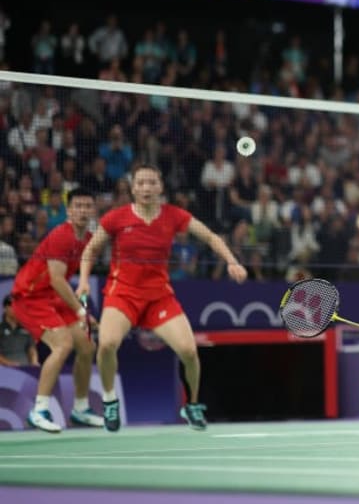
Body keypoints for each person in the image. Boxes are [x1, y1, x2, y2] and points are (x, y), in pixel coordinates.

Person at [77, 163, 247, 432]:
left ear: (160, 187)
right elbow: (90, 250)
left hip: (159, 297)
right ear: (133, 188)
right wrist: (84, 281)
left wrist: (231, 261)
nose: (146, 188)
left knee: (189, 351)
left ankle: (191, 405)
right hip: (122, 293)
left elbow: (210, 236)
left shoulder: (173, 215)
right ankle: (110, 400)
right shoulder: (116, 218)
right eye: (141, 183)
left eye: (151, 183)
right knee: (107, 343)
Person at [8, 189, 105, 432]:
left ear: (93, 211)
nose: (83, 210)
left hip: (52, 297)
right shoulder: (62, 235)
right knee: (63, 345)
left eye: (87, 206)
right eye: (78, 206)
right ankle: (39, 410)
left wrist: (82, 309)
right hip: (30, 297)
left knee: (86, 347)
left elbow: (78, 278)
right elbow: (57, 279)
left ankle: (81, 408)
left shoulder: (88, 240)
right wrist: (81, 312)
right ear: (69, 211)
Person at [1, 295, 37, 367]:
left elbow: (31, 349)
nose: (16, 309)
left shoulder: (26, 328)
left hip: (25, 370)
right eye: (12, 306)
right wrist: (9, 364)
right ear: (5, 309)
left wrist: (34, 363)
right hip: (5, 371)